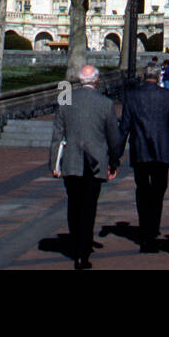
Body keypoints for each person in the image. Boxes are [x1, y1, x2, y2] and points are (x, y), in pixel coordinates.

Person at [50, 65, 122, 269]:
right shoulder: (105, 104)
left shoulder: (66, 101)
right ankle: (83, 253)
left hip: (71, 161)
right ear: (96, 81)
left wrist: (54, 163)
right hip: (95, 162)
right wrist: (114, 162)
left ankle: (75, 243)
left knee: (73, 205)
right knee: (89, 208)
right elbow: (114, 138)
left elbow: (57, 134)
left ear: (79, 81)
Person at [119, 65, 169, 252]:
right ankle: (152, 231)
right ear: (158, 77)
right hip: (163, 151)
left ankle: (145, 231)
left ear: (143, 76)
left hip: (140, 150)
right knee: (158, 193)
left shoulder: (132, 96)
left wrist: (116, 154)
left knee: (142, 191)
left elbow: (124, 127)